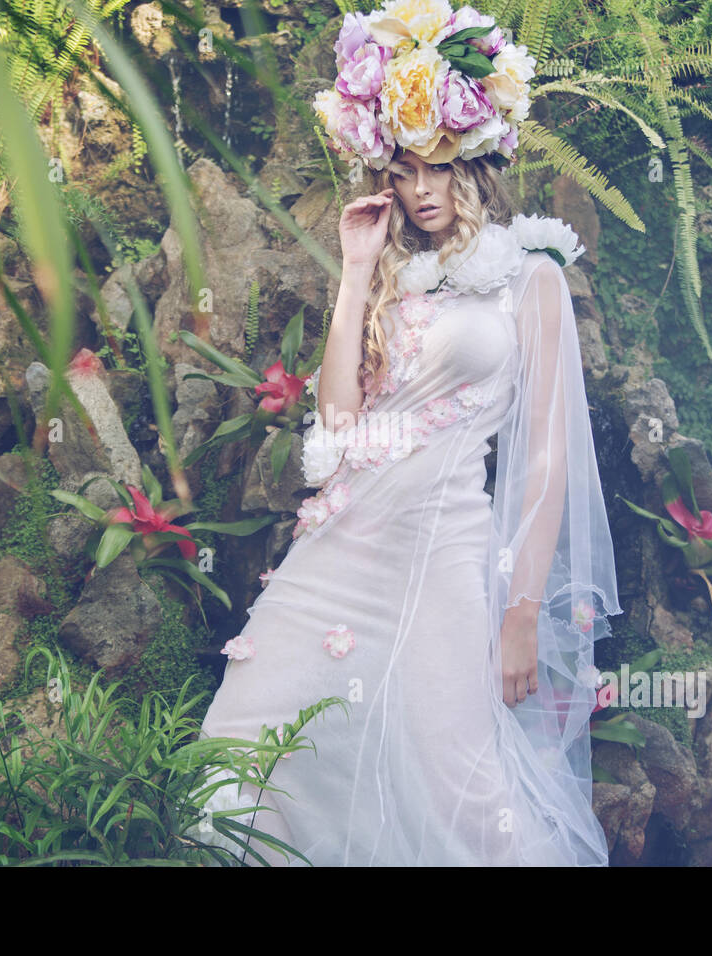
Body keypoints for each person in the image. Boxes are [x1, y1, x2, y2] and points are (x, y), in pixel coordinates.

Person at [196, 0, 621, 866]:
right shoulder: (393, 274)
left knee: (456, 787)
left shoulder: (529, 279)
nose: (419, 190)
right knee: (247, 743)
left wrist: (522, 614)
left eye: (436, 167)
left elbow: (545, 461)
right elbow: (340, 423)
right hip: (343, 549)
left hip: (446, 558)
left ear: (474, 161)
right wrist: (354, 279)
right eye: (401, 169)